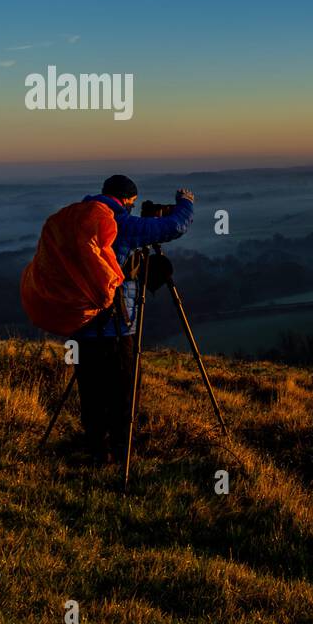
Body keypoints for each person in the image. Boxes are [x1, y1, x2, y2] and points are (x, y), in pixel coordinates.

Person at [74, 175, 195, 463]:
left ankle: (96, 450)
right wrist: (185, 203)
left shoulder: (80, 219)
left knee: (90, 389)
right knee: (122, 389)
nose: (131, 207)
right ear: (126, 199)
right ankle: (122, 450)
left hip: (79, 322)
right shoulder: (120, 223)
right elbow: (173, 226)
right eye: (132, 202)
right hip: (115, 325)